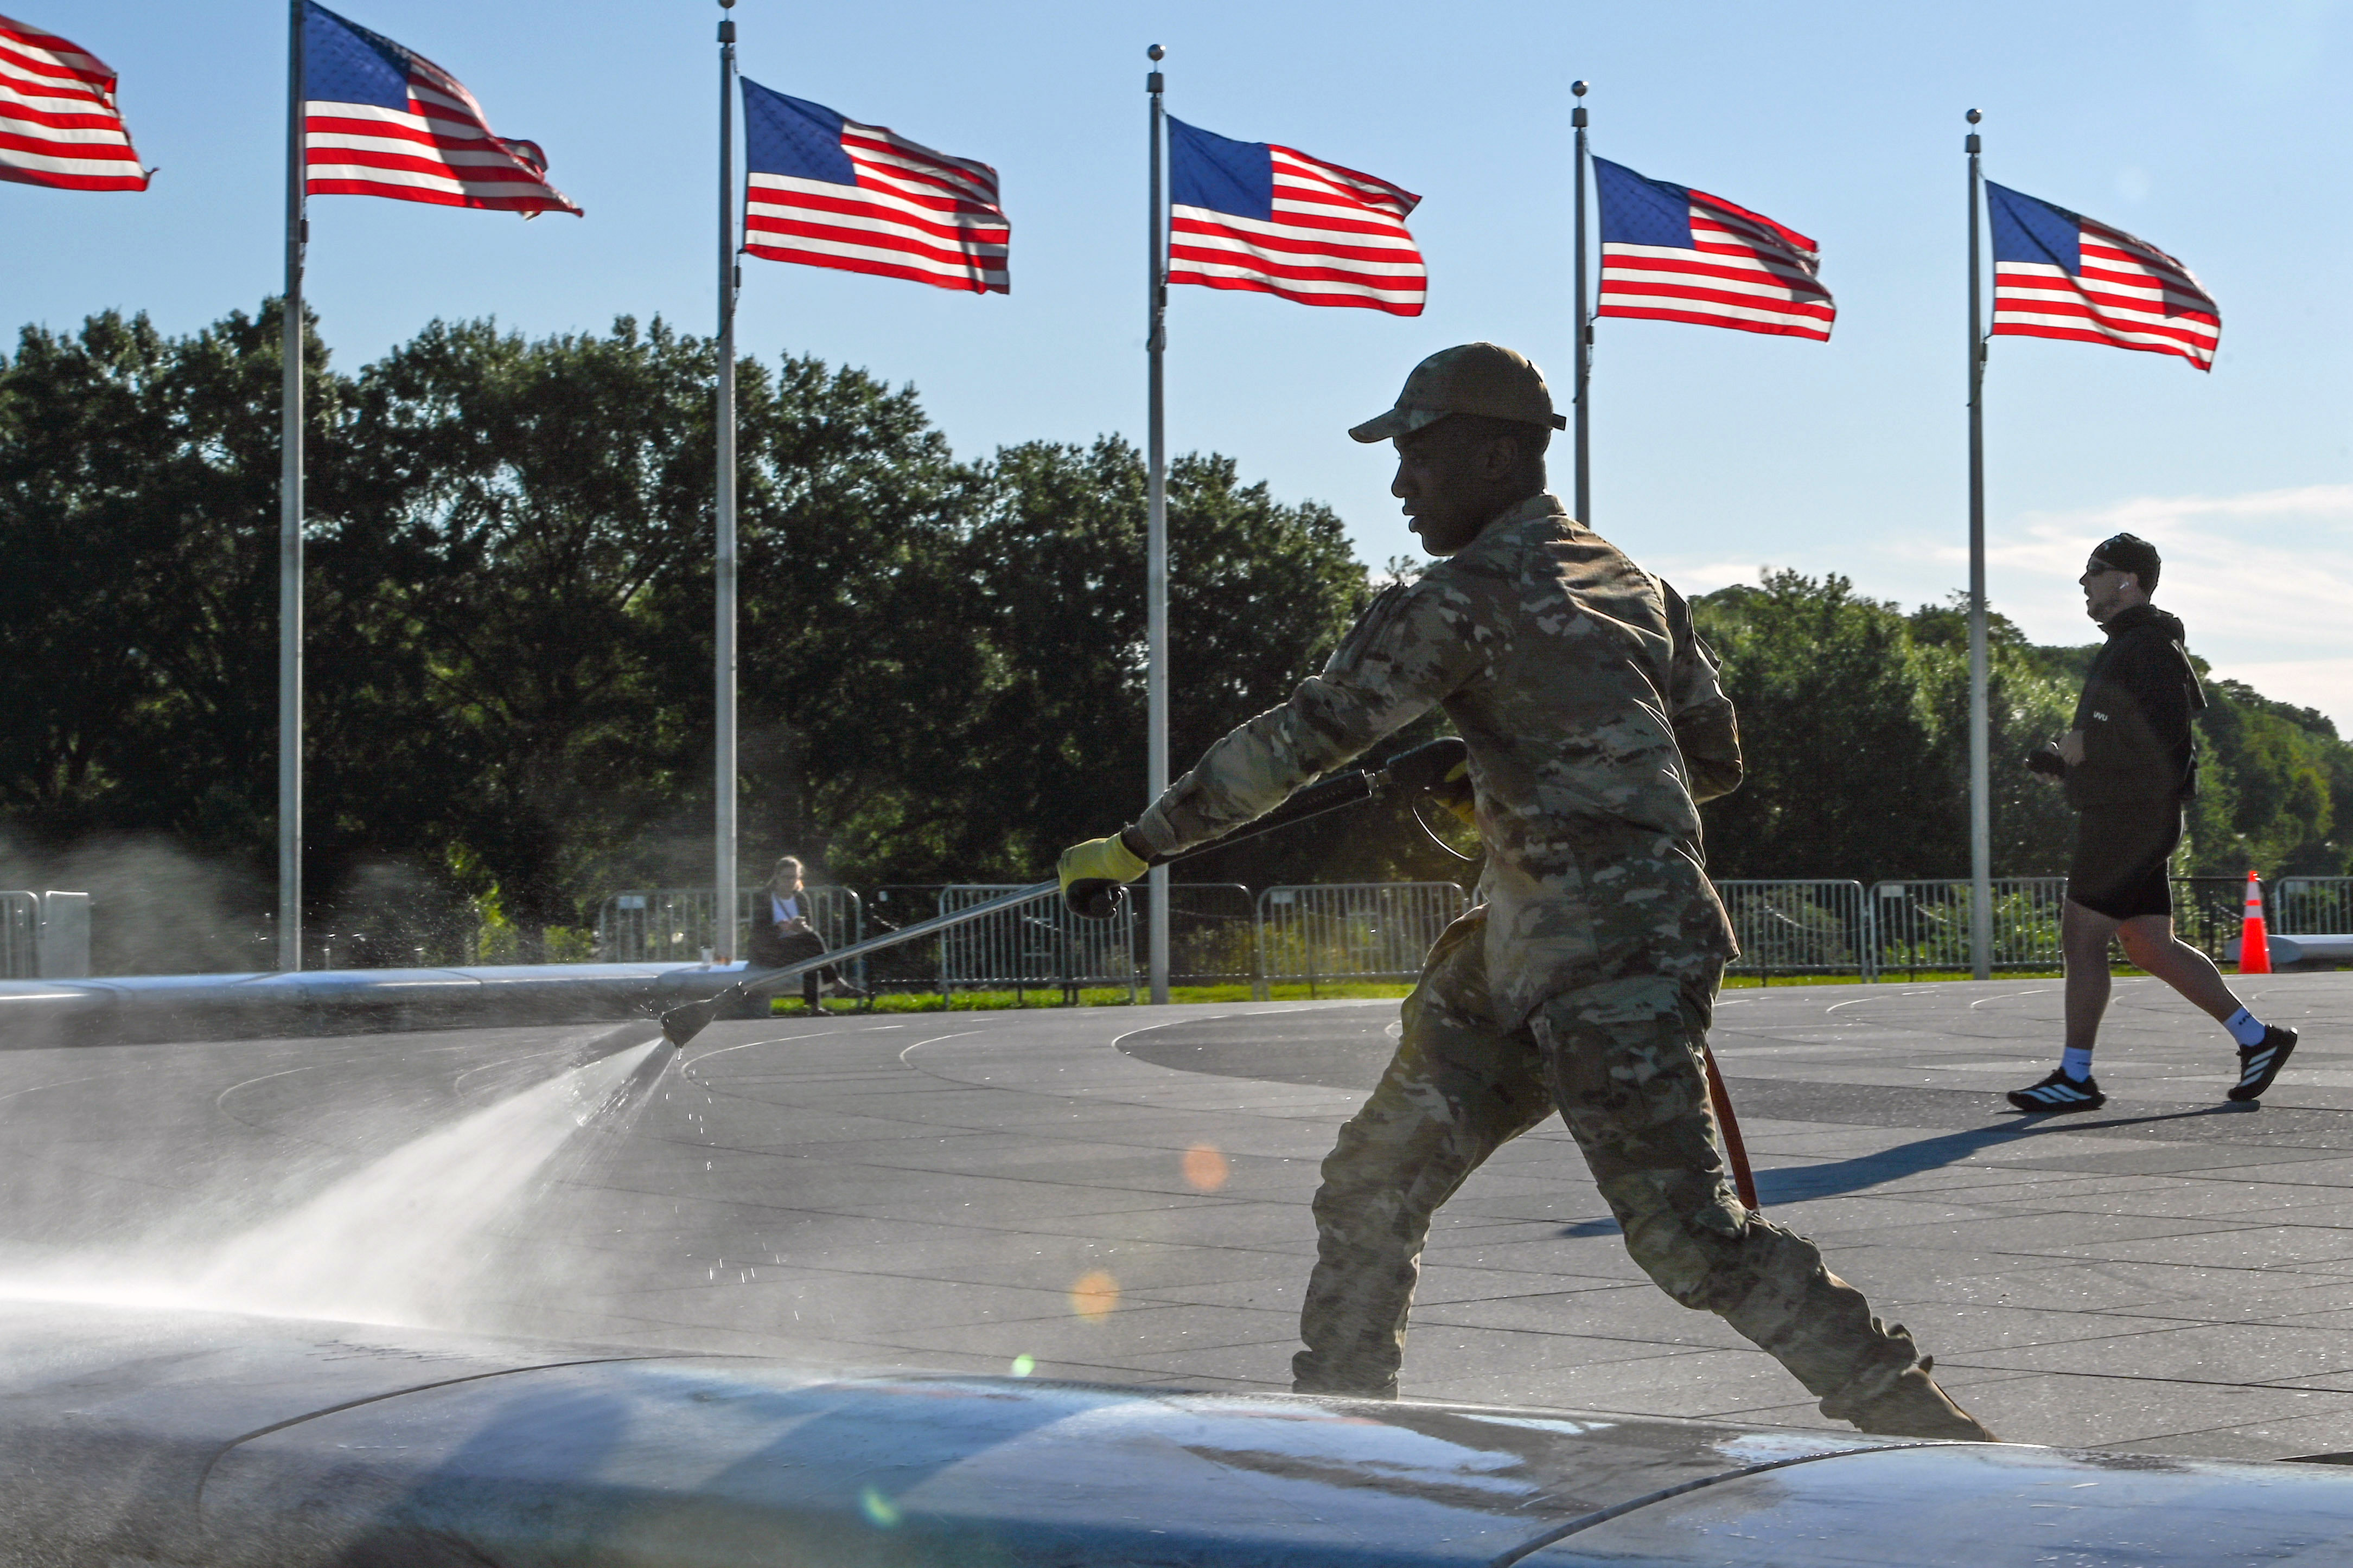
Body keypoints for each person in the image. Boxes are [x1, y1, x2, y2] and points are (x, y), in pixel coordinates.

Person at [1058, 343, 1994, 1441]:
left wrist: (1138, 843)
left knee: (1688, 1236)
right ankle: (1342, 1435)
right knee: (1369, 1182)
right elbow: (1713, 757)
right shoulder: (1634, 586)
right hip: (1524, 941)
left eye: (1417, 453)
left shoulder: (1459, 594)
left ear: (1496, 453)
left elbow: (1309, 733)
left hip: (1607, 953)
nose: (1400, 482)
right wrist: (1525, 770)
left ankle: (1930, 1435)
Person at [2008, 534, 2295, 1112]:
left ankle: (2074, 1075)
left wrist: (2087, 747)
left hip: (2127, 823)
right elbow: (2129, 742)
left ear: (2127, 580)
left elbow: (2163, 741)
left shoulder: (2147, 648)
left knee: (2081, 937)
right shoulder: (2130, 646)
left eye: (2094, 572)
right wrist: (2064, 760)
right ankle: (2256, 1037)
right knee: (2146, 943)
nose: (2083, 583)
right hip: (2133, 817)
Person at [749, 855, 827, 1013]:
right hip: (770, 952)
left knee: (811, 944)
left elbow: (809, 929)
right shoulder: (764, 898)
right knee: (812, 947)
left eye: (794, 877)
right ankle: (834, 984)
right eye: (786, 877)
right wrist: (780, 928)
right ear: (777, 877)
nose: (790, 881)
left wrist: (803, 927)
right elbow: (758, 933)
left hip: (794, 949)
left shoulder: (801, 898)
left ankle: (814, 1006)